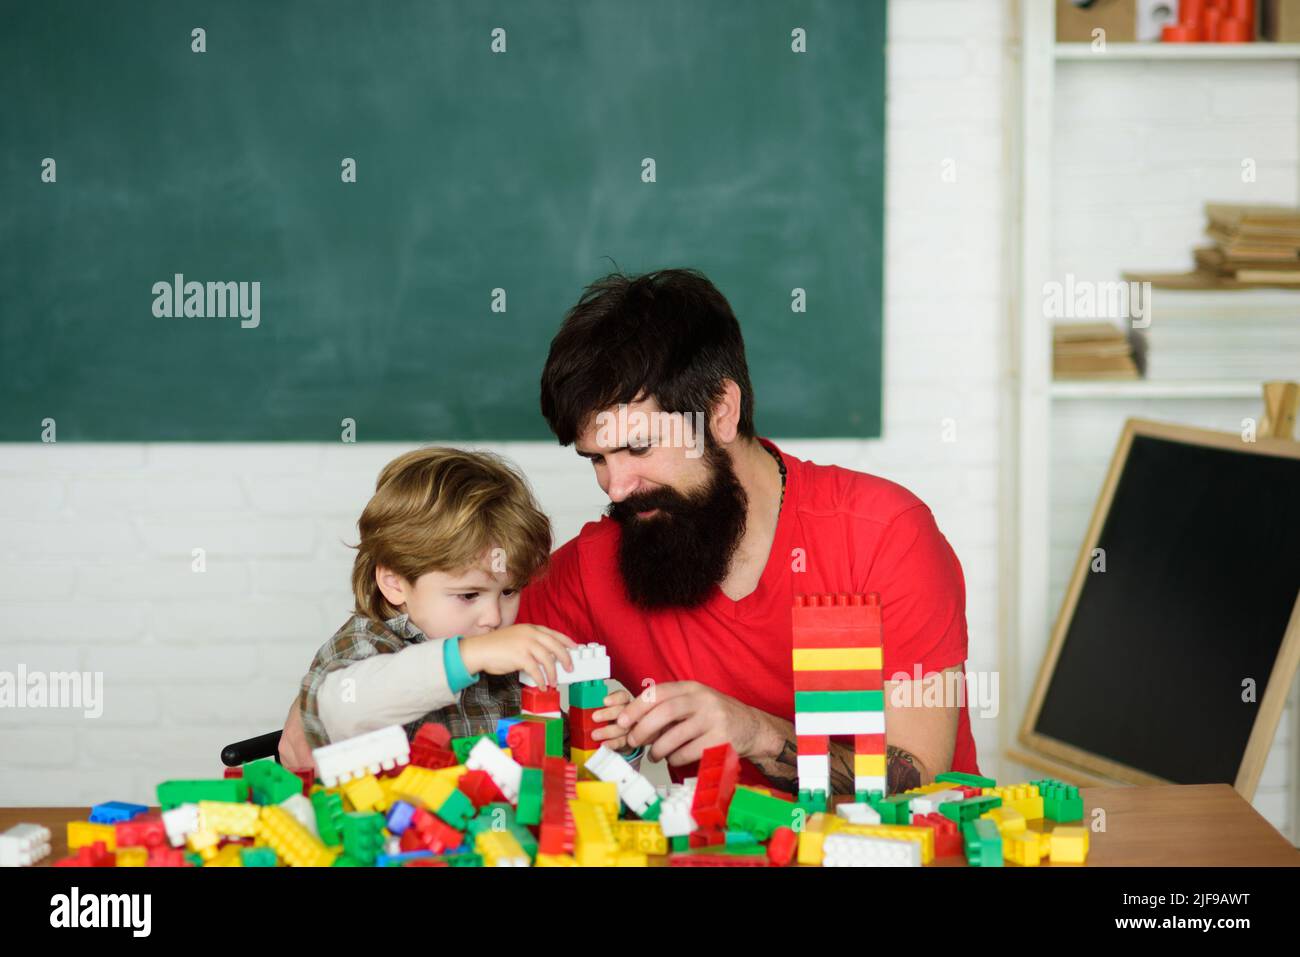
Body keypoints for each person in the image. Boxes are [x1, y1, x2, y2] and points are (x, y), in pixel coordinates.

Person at [517, 267, 980, 794]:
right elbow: (463, 649)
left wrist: (755, 733)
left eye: (639, 448)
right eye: (596, 459)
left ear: (721, 411)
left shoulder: (883, 535)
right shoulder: (594, 566)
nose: (615, 487)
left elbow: (919, 777)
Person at [276, 447, 634, 768]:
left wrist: (608, 746)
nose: (494, 617)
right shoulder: (367, 644)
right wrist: (465, 657)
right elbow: (342, 710)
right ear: (394, 582)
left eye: (509, 592)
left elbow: (558, 773)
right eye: (468, 596)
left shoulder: (501, 666)